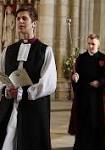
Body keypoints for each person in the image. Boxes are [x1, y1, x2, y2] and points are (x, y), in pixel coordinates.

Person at [0, 4, 57, 150]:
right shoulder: (8, 50)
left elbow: (48, 83)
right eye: (18, 18)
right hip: (9, 108)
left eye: (24, 18)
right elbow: (1, 76)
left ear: (34, 23)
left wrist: (24, 93)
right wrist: (5, 90)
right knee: (7, 142)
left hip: (33, 110)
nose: (20, 21)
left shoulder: (45, 51)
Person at [69, 33, 105, 150]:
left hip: (97, 99)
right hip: (83, 97)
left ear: (98, 44)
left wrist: (99, 83)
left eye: (93, 44)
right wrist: (75, 78)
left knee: (96, 124)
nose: (91, 46)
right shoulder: (81, 58)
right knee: (83, 124)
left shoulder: (104, 59)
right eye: (89, 44)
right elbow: (76, 75)